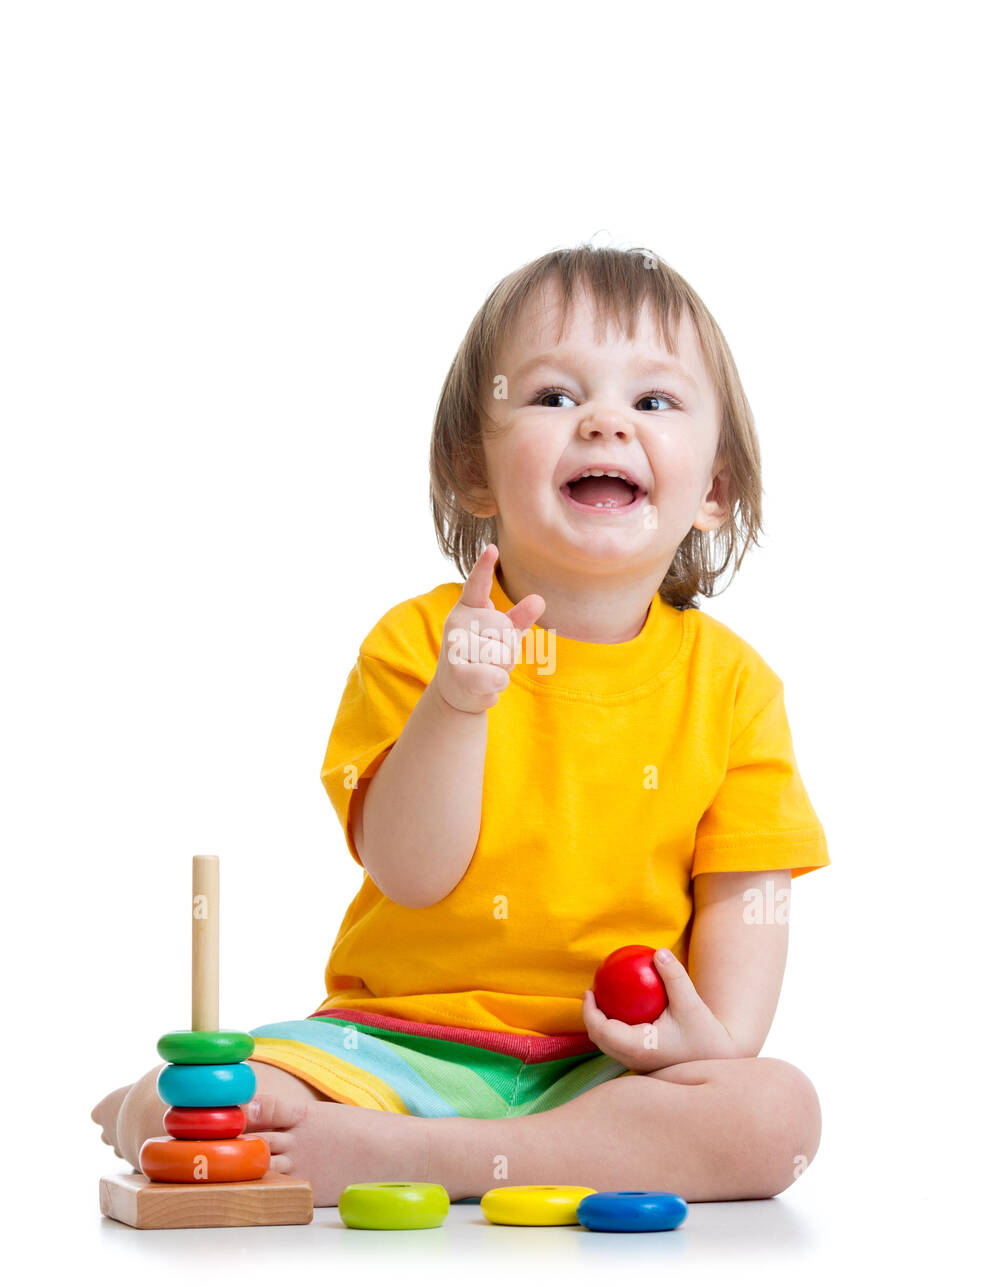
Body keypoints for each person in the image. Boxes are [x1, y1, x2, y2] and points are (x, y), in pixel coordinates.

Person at [93, 244, 829, 1207]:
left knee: (779, 1118)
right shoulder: (415, 644)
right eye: (557, 396)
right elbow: (411, 869)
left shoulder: (736, 689)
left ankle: (415, 1162)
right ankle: (143, 1112)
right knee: (186, 1106)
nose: (605, 420)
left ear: (716, 488)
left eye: (653, 402)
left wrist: (709, 1043)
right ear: (473, 471)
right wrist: (456, 705)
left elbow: (745, 927)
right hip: (396, 1049)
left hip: (605, 1075)